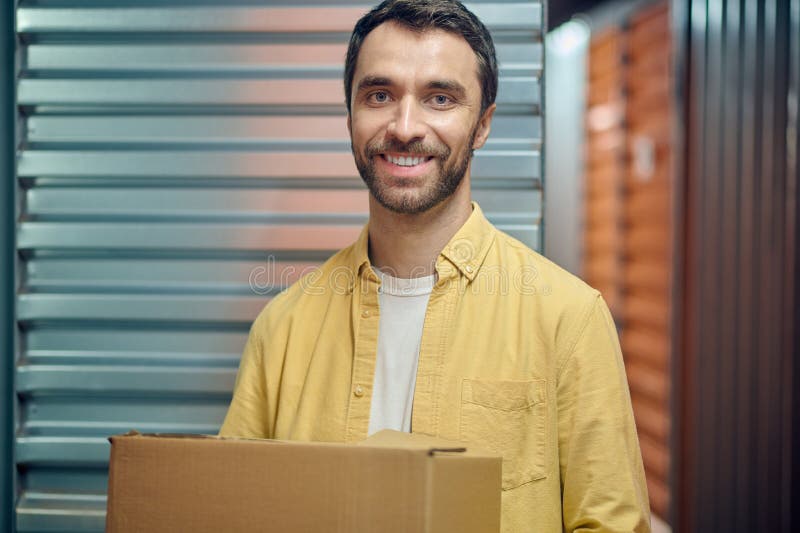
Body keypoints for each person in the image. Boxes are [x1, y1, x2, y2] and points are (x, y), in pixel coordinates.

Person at [220, 0, 651, 530]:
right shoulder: (281, 330)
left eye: (439, 98)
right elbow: (232, 511)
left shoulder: (568, 319)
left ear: (482, 125)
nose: (404, 127)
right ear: (350, 115)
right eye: (380, 95)